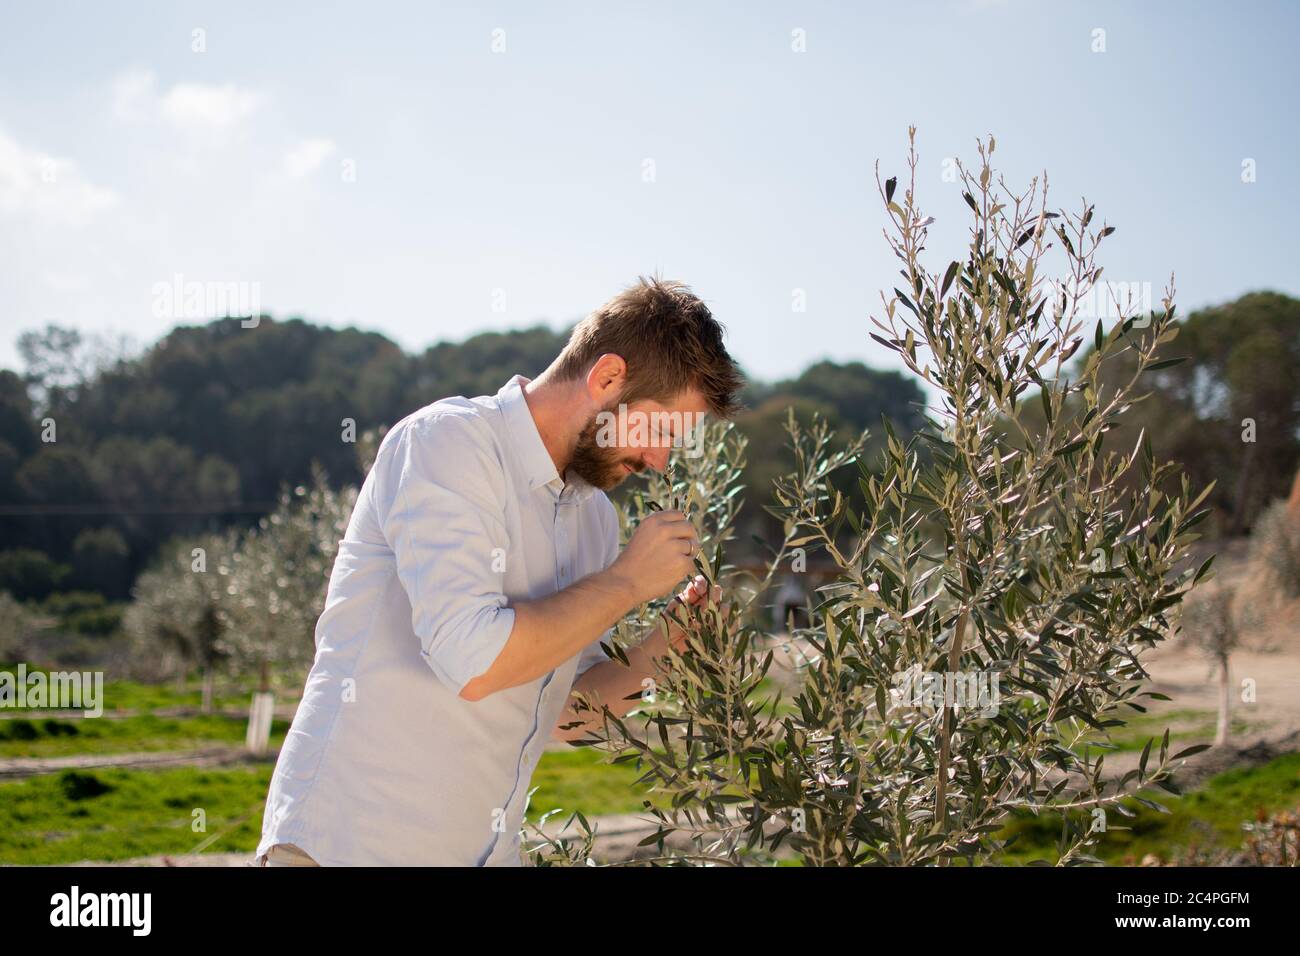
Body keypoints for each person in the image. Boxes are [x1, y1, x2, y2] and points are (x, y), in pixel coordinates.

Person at [255, 276, 743, 865]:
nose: (661, 461)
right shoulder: (448, 444)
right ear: (608, 377)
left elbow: (565, 713)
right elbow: (474, 661)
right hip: (347, 846)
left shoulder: (595, 522)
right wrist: (626, 584)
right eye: (661, 430)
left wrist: (668, 651)